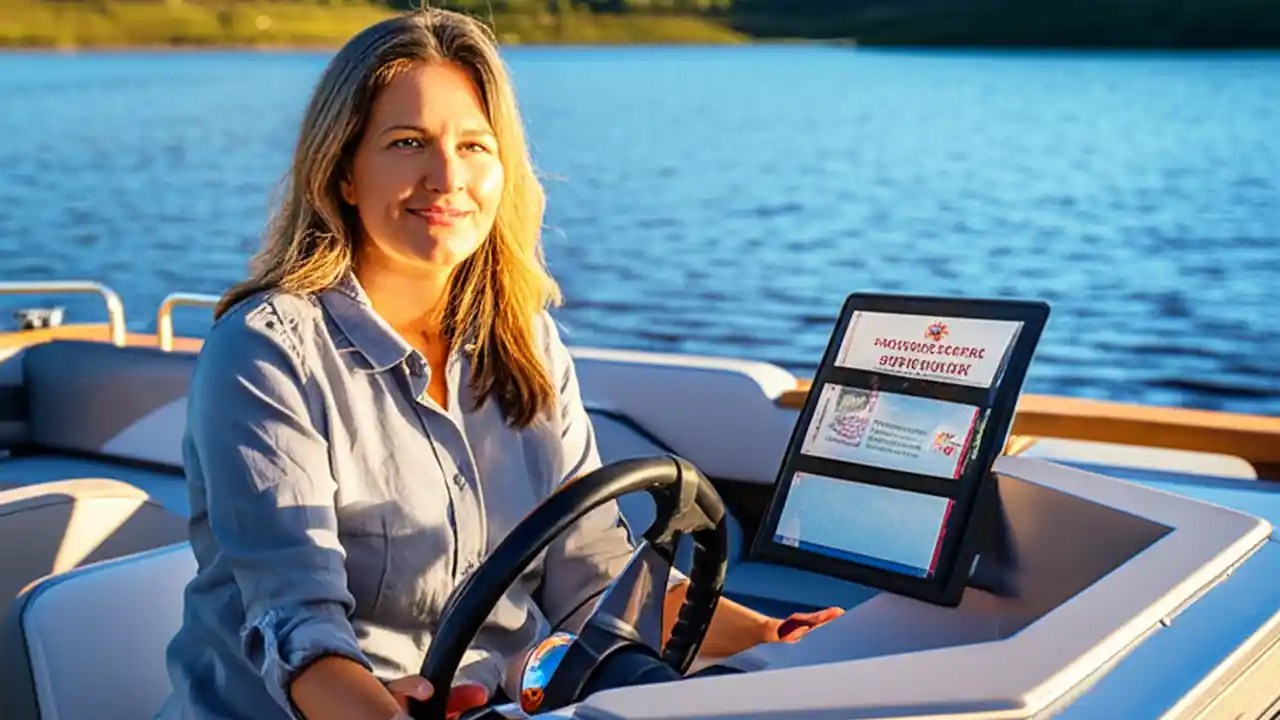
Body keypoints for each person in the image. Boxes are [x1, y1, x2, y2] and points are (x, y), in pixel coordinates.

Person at [156, 10, 842, 720]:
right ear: (343, 174)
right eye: (406, 142)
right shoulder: (266, 351)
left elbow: (591, 583)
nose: (447, 176)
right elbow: (296, 627)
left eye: (474, 146)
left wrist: (771, 638)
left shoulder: (528, 343)